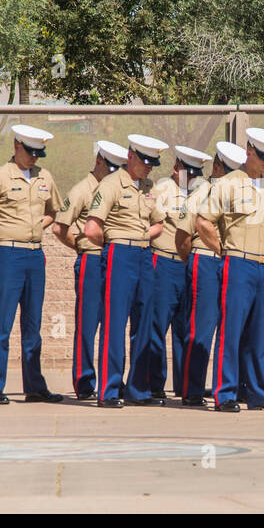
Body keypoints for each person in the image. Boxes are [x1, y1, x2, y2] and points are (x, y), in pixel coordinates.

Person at [0, 125, 64, 405]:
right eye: (30, 152)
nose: (35, 158)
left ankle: (34, 386)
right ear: (17, 146)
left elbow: (53, 212)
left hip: (35, 255)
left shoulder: (44, 176)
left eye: (38, 153)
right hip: (9, 255)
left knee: (32, 325)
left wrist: (35, 226)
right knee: (2, 323)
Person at [198, 128, 264, 412]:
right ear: (249, 152)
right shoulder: (228, 184)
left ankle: (258, 392)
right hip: (237, 263)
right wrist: (222, 249)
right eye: (262, 157)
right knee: (231, 330)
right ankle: (225, 393)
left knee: (259, 334)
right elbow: (203, 222)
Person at [84, 134, 168, 407]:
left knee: (144, 323)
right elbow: (92, 228)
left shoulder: (147, 186)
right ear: (130, 156)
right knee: (115, 323)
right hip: (119, 254)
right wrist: (112, 244)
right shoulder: (111, 184)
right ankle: (109, 390)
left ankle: (138, 389)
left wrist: (144, 234)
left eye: (152, 163)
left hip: (144, 254)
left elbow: (159, 224)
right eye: (145, 161)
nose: (149, 167)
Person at [52, 140, 127, 400]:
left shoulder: (118, 187)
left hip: (116, 260)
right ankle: (85, 380)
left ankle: (113, 380)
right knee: (88, 324)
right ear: (99, 161)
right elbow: (59, 228)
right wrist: (81, 247)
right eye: (112, 167)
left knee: (114, 322)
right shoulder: (83, 190)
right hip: (93, 260)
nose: (116, 173)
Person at [173, 142, 243, 406]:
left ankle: (225, 388)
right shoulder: (202, 192)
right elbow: (182, 235)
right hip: (206, 260)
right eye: (229, 171)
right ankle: (191, 389)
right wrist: (192, 262)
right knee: (201, 328)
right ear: (217, 167)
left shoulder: (239, 191)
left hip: (231, 263)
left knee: (229, 330)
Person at [141, 145, 212, 401]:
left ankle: (185, 385)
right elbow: (149, 223)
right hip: (165, 262)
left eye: (196, 172)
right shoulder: (161, 190)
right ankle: (154, 384)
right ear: (176, 168)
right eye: (188, 172)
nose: (192, 177)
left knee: (185, 328)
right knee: (157, 326)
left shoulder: (202, 193)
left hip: (189, 265)